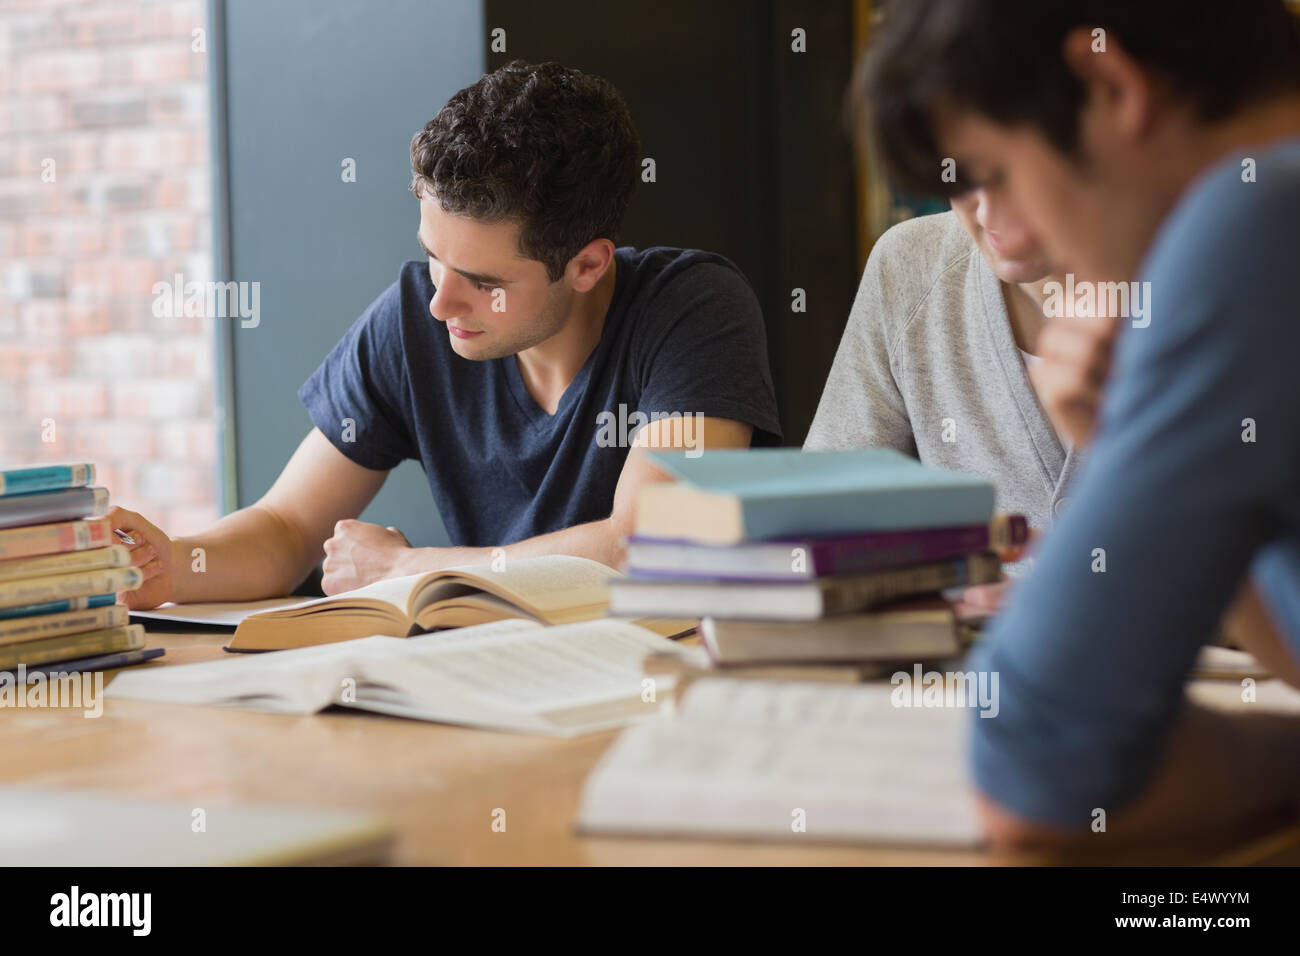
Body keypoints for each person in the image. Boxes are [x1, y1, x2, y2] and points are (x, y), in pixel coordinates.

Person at [860, 0, 1300, 846]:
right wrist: (1144, 449)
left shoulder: (1256, 217)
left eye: (996, 171)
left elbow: (1035, 776)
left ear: (1108, 85)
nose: (1003, 227)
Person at [113, 61, 781, 608]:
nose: (440, 303)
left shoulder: (694, 309)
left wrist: (409, 569)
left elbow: (648, 546)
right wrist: (174, 563)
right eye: (433, 257)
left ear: (587, 265)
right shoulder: (414, 319)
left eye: (481, 279)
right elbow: (286, 528)